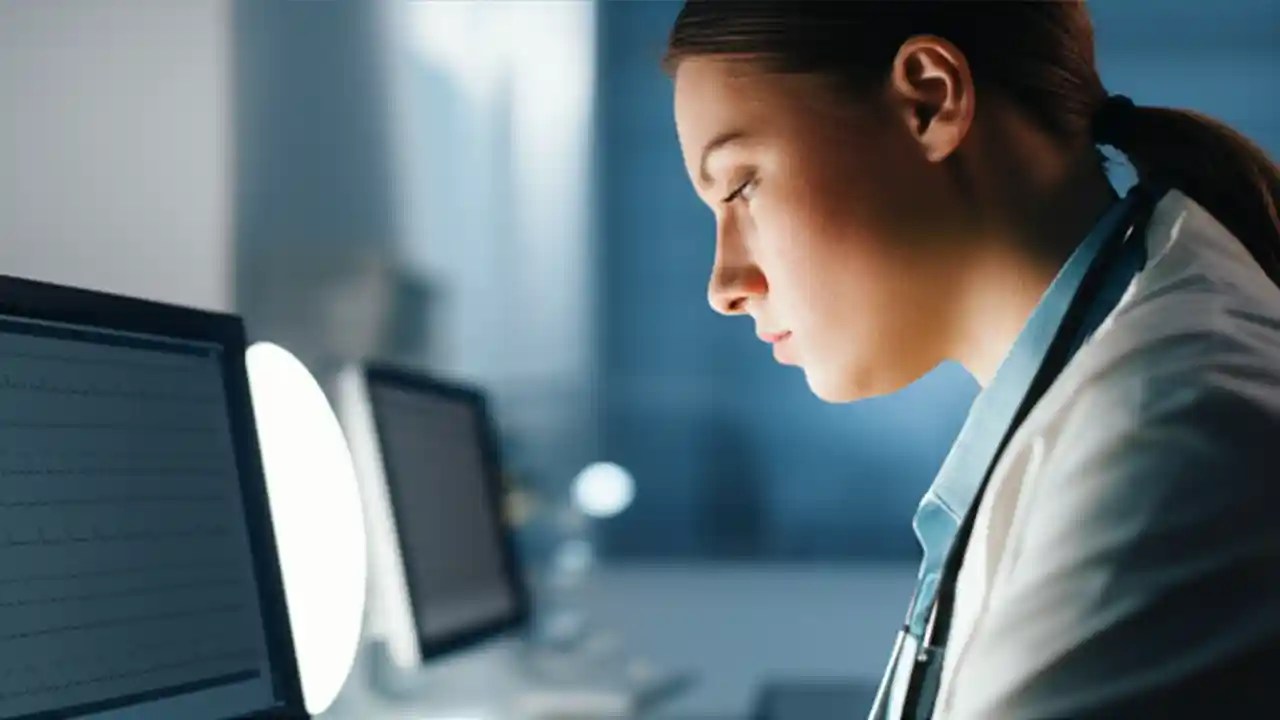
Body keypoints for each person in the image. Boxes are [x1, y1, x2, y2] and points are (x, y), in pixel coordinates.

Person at [663, 1, 1280, 718]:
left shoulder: (1169, 437)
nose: (724, 286)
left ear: (929, 102)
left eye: (742, 185)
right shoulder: (1103, 381)